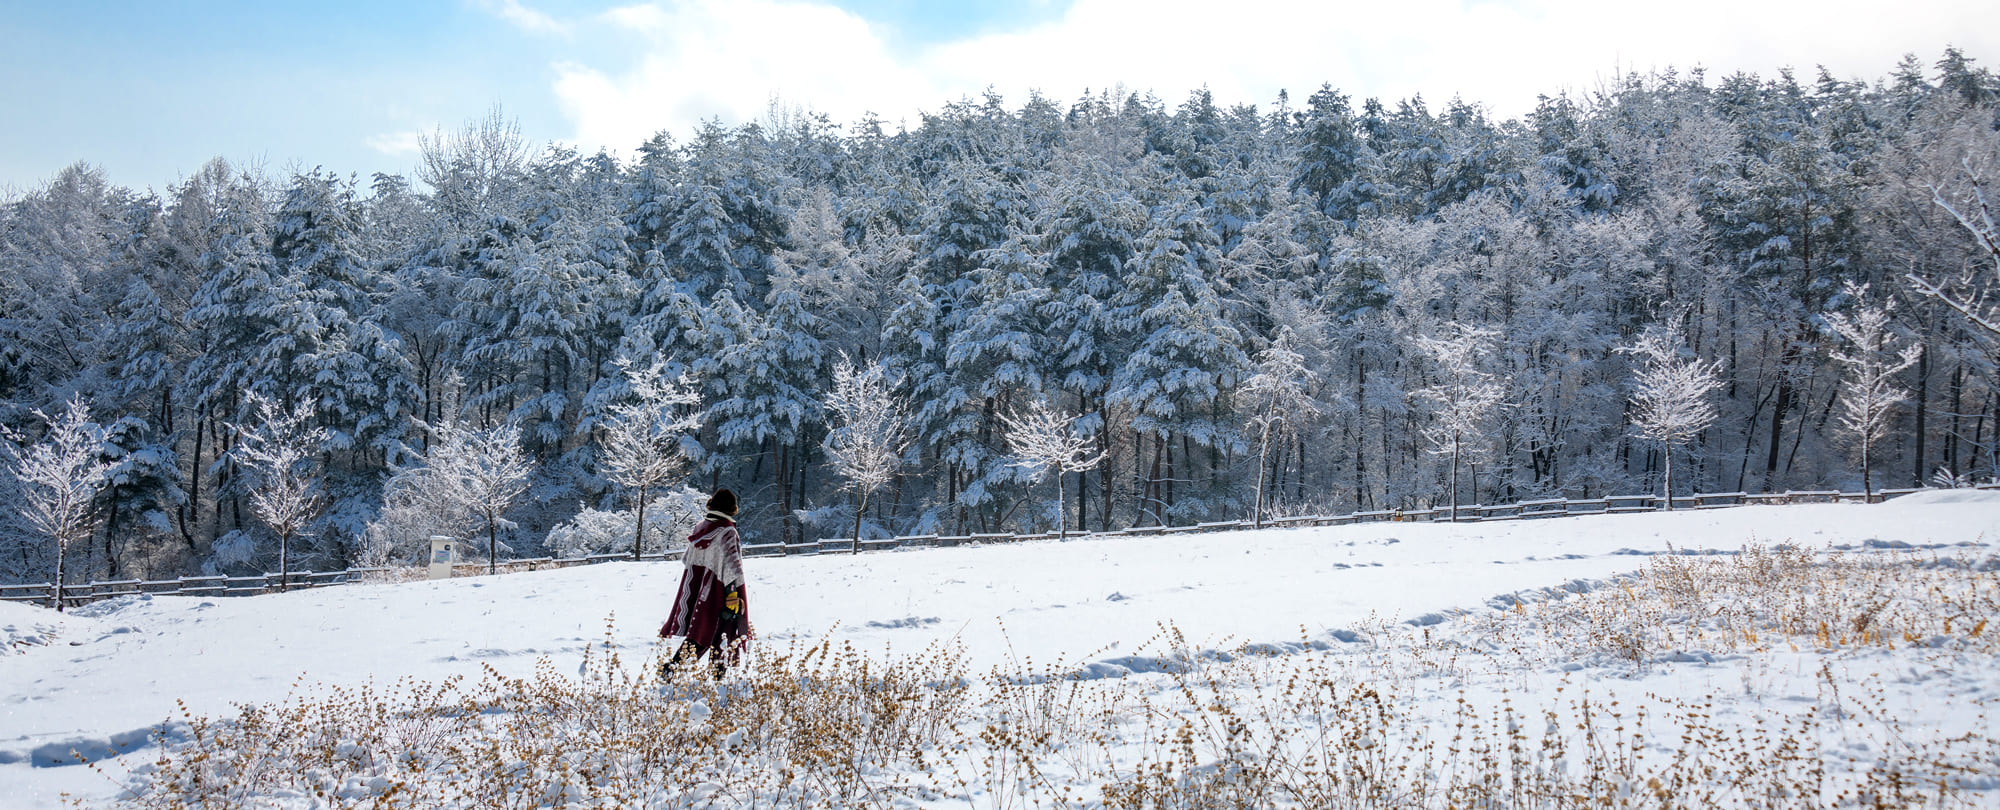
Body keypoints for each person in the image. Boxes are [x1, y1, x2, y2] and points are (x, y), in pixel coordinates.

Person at [659, 488, 751, 679]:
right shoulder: (727, 531)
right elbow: (732, 567)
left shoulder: (700, 528)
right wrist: (733, 594)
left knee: (700, 632)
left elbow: (688, 559)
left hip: (698, 588)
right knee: (721, 633)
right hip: (721, 590)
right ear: (731, 508)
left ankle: (672, 669)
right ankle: (715, 678)